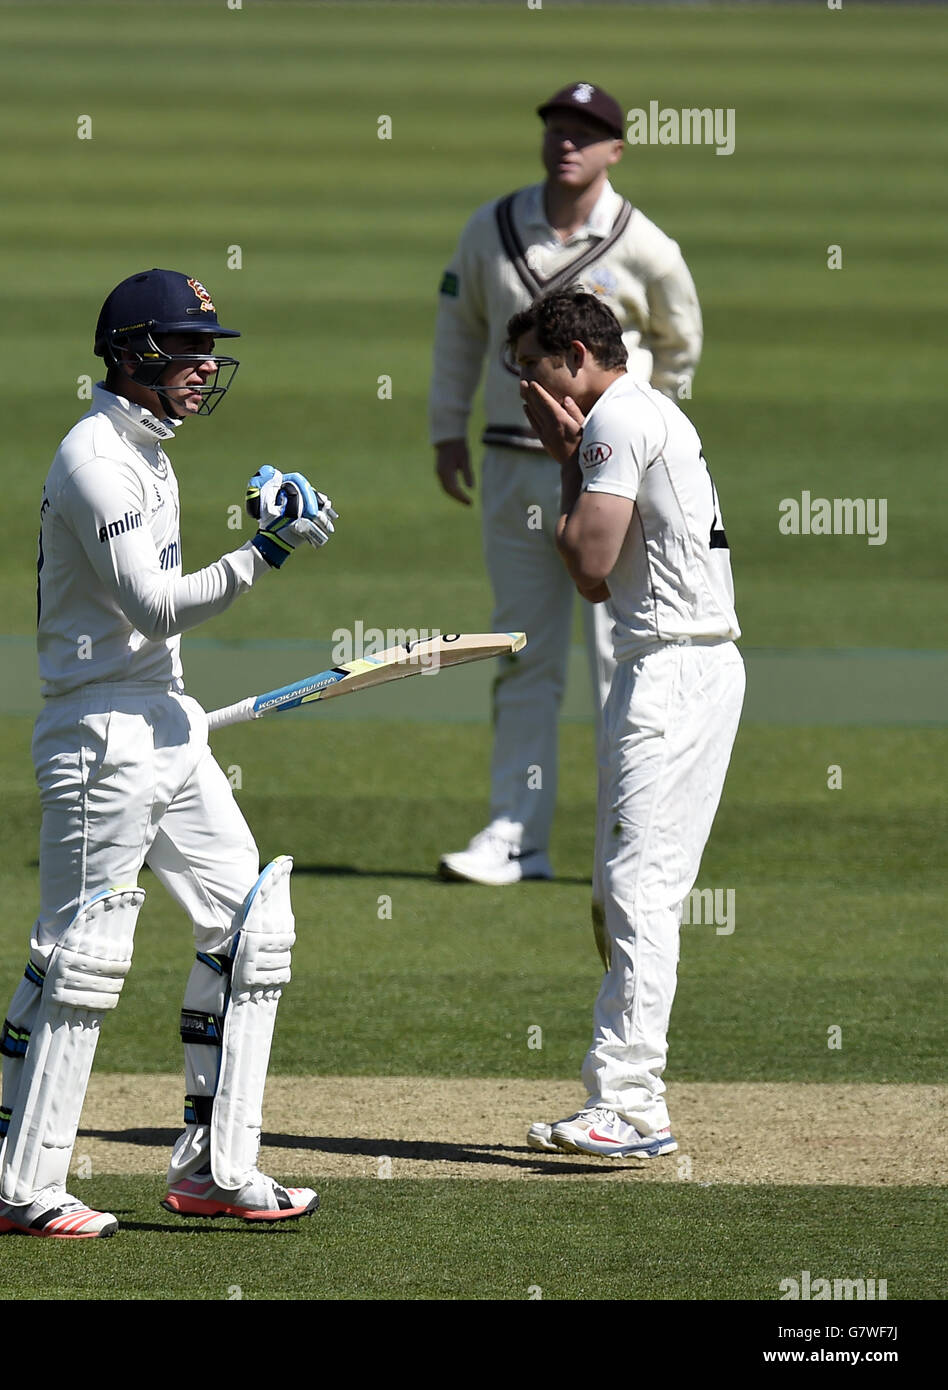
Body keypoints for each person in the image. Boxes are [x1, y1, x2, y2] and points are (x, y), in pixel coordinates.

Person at [0, 268, 336, 1237]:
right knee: (82, 955)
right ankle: (20, 1186)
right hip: (97, 733)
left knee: (249, 924)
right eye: (187, 349)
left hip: (163, 720)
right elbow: (154, 605)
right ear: (134, 353)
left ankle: (215, 1166)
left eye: (207, 350)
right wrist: (267, 550)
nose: (204, 367)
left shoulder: (149, 451)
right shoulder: (94, 458)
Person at [432, 81, 703, 886]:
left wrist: (649, 433)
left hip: (612, 474)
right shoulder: (492, 226)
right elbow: (460, 328)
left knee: (626, 656)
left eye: (587, 132)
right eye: (557, 126)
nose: (567, 142)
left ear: (616, 149)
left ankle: (636, 832)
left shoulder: (644, 245)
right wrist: (447, 425)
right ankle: (516, 835)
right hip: (516, 465)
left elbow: (680, 340)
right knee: (523, 652)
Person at [505, 287, 744, 1158]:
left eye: (529, 367)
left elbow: (589, 565)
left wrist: (564, 457)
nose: (523, 385)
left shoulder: (611, 422)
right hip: (679, 663)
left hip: (673, 668)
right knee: (621, 889)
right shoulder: (644, 412)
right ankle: (633, 1098)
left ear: (573, 358)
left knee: (638, 889)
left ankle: (631, 1103)